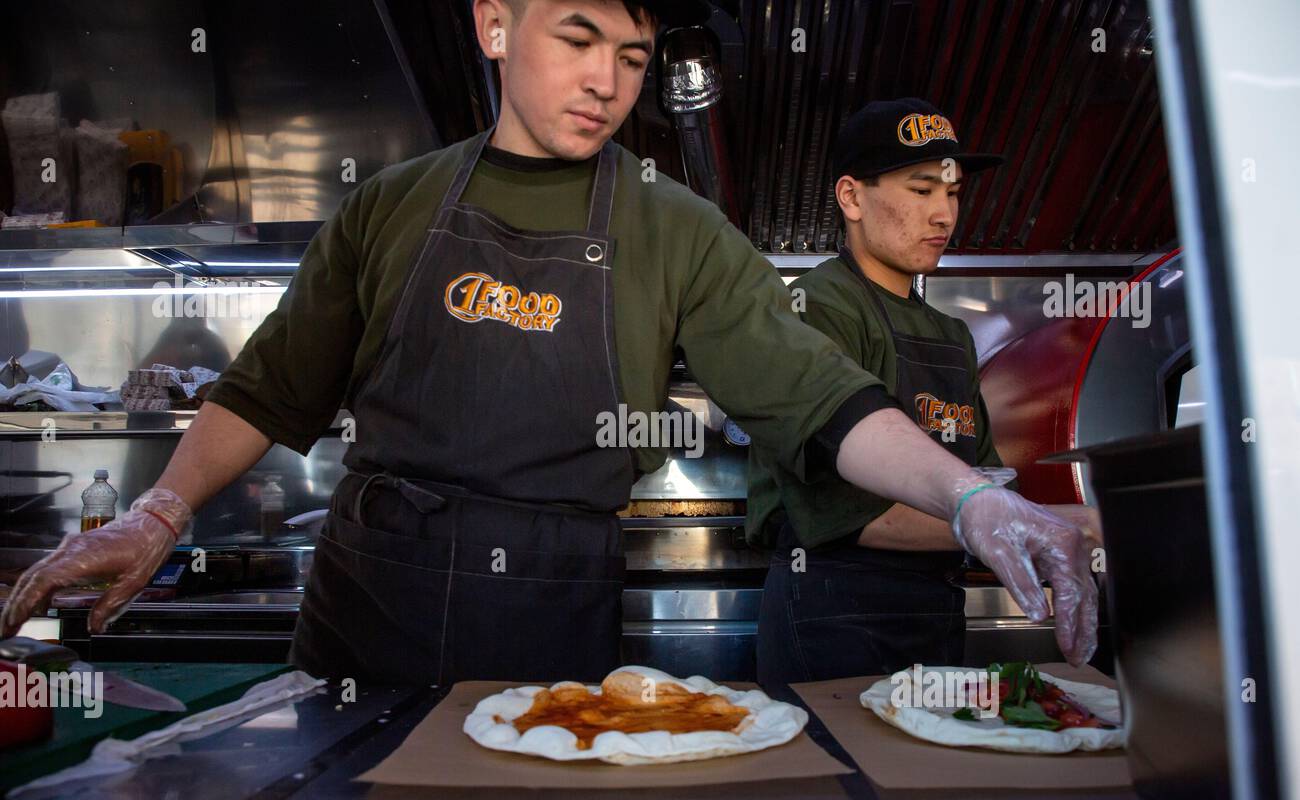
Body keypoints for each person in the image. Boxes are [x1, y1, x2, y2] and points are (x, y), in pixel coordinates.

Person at [0, 3, 1096, 686]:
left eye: (629, 53)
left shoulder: (674, 224)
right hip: (365, 604)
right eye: (576, 38)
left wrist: (972, 499)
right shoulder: (391, 203)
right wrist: (158, 509)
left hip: (547, 605)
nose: (609, 81)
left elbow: (820, 396)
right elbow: (265, 388)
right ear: (492, 25)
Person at [748, 98, 1100, 684]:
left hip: (935, 609)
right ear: (852, 197)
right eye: (921, 190)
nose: (944, 215)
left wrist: (1038, 517)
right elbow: (841, 514)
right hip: (834, 613)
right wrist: (1050, 521)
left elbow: (987, 481)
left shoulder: (951, 334)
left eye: (953, 193)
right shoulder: (817, 307)